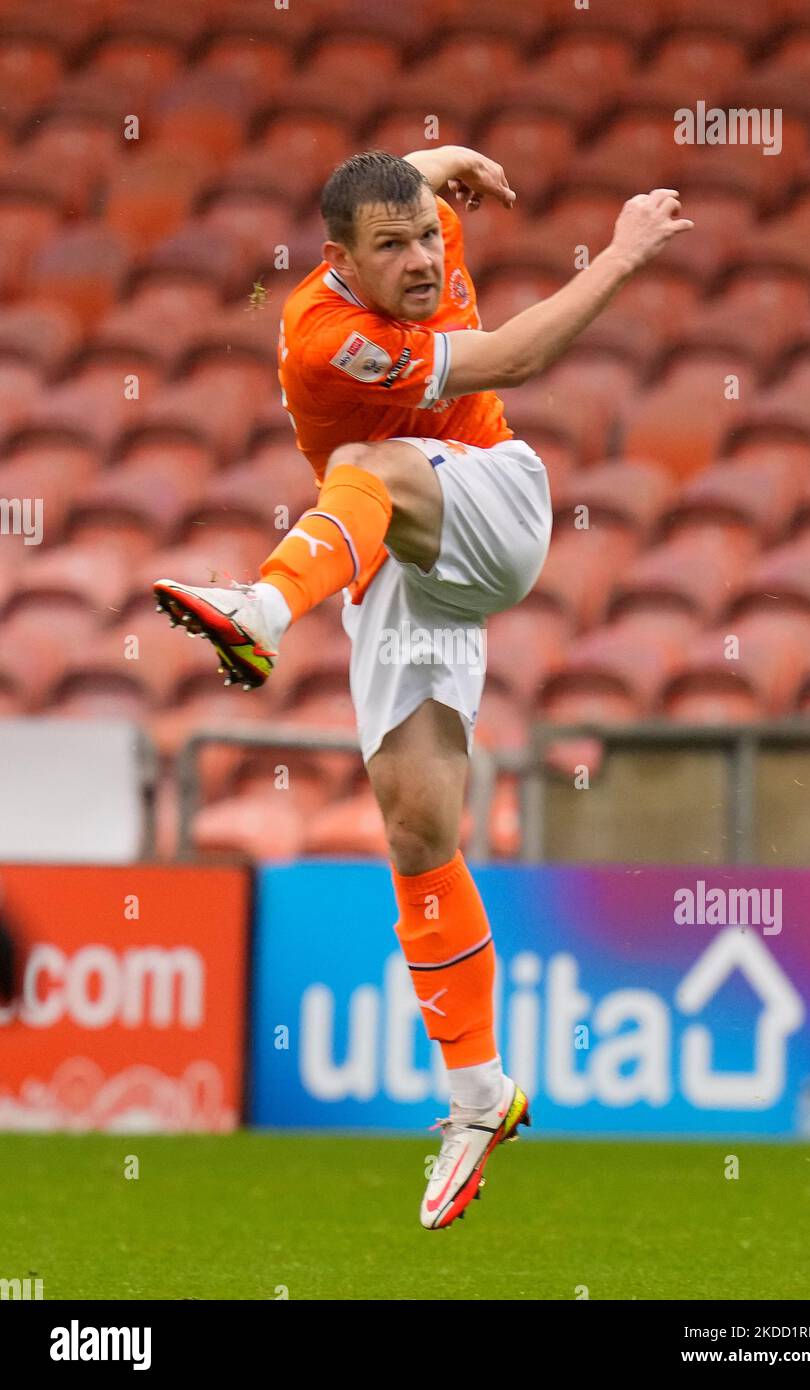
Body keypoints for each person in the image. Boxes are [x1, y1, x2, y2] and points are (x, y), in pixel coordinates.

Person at [154, 146, 692, 1229]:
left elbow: (402, 201)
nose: (421, 258)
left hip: (492, 503)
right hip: (406, 555)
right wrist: (624, 253)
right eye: (392, 245)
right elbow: (516, 354)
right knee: (415, 827)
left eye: (428, 237)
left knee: (368, 468)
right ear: (336, 259)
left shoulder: (398, 230)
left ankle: (260, 612)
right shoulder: (330, 341)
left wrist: (433, 164)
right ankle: (477, 1093)